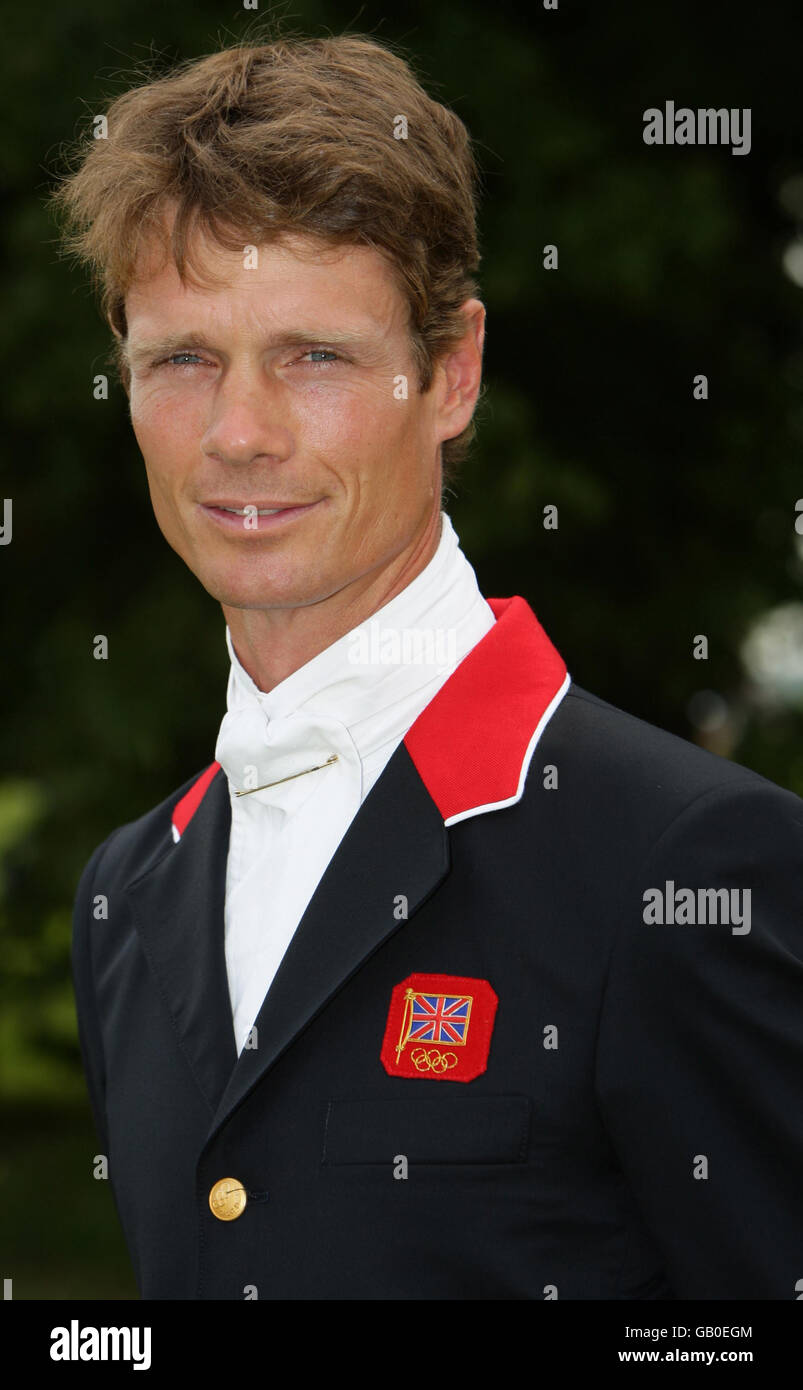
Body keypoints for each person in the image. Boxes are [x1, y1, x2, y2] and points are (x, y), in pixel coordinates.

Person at [57, 33, 803, 1301]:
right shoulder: (127, 898)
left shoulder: (680, 862)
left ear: (449, 372)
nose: (238, 435)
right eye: (182, 359)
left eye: (314, 355)